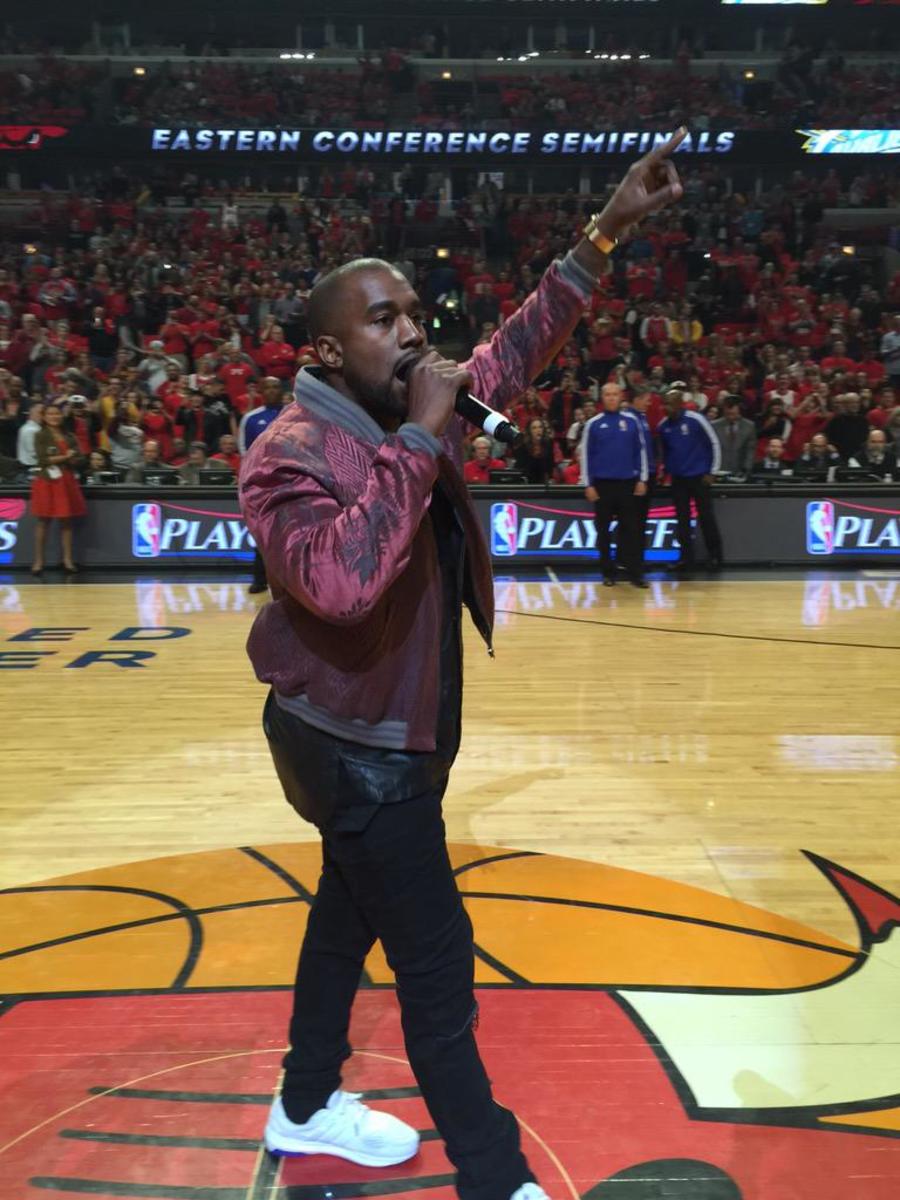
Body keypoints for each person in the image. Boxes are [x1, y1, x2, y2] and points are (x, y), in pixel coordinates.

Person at [239, 131, 686, 1200]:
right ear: (333, 350)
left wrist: (605, 231)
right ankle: (498, 1179)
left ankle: (302, 1105)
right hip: (354, 750)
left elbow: (511, 356)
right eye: (383, 318)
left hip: (392, 734)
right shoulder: (289, 451)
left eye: (414, 314)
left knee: (344, 922)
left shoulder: (408, 406)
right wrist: (423, 442)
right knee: (437, 975)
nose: (413, 332)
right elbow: (341, 582)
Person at [581, 382, 649, 587]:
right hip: (602, 486)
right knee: (603, 532)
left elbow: (641, 451)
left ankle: (635, 573)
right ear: (602, 398)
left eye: (615, 394)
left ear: (621, 397)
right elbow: (585, 455)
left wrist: (642, 479)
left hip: (627, 483)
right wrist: (588, 484)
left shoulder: (632, 421)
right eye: (607, 394)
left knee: (632, 530)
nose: (611, 398)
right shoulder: (593, 423)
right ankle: (608, 573)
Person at [658, 382, 724, 572]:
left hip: (699, 477)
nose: (666, 408)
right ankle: (686, 559)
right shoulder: (664, 426)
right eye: (664, 404)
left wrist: (713, 471)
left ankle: (715, 557)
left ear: (680, 403)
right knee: (682, 521)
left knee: (706, 517)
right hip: (678, 479)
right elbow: (666, 453)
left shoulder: (696, 420)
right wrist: (666, 472)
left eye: (669, 404)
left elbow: (714, 443)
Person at [238, 377, 286, 594]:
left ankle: (290, 582)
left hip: (290, 482)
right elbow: (245, 452)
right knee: (260, 533)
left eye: (276, 386)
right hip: (262, 485)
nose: (272, 390)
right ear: (261, 391)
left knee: (290, 533)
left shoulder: (294, 413)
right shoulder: (250, 418)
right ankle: (259, 579)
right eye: (268, 386)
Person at [30, 402, 86, 575]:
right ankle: (39, 561)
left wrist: (74, 458)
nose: (54, 417)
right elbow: (43, 459)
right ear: (44, 417)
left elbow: (79, 457)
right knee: (43, 521)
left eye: (57, 414)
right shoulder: (40, 435)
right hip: (47, 481)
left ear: (62, 417)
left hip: (66, 480)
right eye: (50, 414)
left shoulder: (69, 436)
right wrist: (65, 456)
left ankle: (67, 560)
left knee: (66, 521)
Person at [711, 397, 757, 478]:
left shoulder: (749, 426)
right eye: (727, 413)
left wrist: (746, 469)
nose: (730, 416)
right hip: (718, 472)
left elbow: (750, 451)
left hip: (740, 473)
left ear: (739, 410)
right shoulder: (714, 426)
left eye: (733, 413)